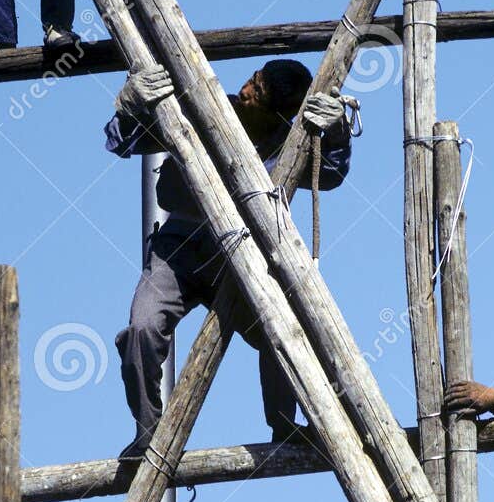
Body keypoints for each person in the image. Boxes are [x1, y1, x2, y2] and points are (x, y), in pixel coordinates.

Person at [106, 60, 354, 460]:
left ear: (276, 113)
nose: (245, 90)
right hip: (179, 249)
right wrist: (132, 105)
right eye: (252, 80)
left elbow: (332, 173)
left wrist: (338, 130)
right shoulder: (202, 112)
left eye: (257, 92)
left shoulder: (291, 145)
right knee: (142, 329)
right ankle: (147, 430)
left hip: (241, 259)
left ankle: (283, 424)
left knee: (286, 332)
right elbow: (122, 142)